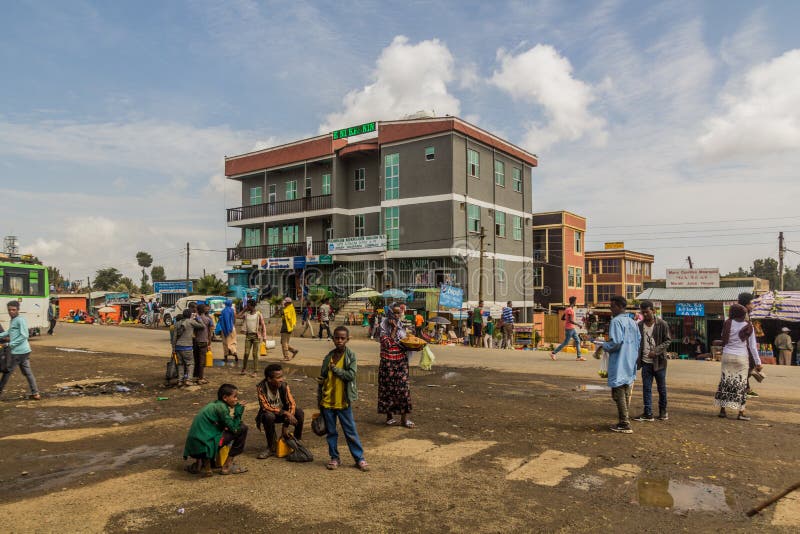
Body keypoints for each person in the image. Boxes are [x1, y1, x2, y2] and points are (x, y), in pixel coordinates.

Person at [318, 326, 369, 471]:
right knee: (331, 432)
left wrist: (336, 370)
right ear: (333, 338)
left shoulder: (350, 356)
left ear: (347, 339)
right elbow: (322, 378)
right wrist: (319, 402)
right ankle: (334, 458)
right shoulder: (329, 356)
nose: (339, 340)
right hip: (327, 401)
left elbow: (351, 375)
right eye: (337, 338)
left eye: (342, 338)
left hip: (343, 401)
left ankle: (359, 459)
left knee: (350, 431)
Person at [594, 296, 641, 434]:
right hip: (630, 359)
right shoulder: (632, 322)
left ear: (620, 307)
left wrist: (603, 346)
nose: (611, 309)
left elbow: (616, 342)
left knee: (618, 391)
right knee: (625, 389)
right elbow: (638, 341)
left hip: (620, 360)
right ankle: (624, 419)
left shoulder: (616, 321)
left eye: (612, 306)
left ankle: (624, 422)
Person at [183, 383, 249, 476]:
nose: (236, 399)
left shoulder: (213, 405)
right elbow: (234, 429)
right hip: (205, 446)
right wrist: (238, 412)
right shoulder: (221, 408)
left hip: (195, 447)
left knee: (217, 430)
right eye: (234, 397)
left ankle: (200, 465)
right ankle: (227, 466)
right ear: (225, 397)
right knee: (242, 428)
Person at [715, 303, 762, 420]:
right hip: (741, 357)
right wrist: (758, 362)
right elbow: (752, 346)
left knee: (725, 382)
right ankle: (741, 413)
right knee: (742, 384)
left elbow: (723, 337)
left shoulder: (727, 323)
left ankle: (722, 410)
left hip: (727, 356)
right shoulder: (748, 326)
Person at [633, 300, 672, 422]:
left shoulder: (662, 324)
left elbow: (668, 341)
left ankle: (663, 412)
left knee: (661, 388)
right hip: (645, 363)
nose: (644, 315)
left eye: (647, 312)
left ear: (653, 311)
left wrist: (656, 351)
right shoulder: (639, 325)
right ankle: (648, 413)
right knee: (646, 388)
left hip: (659, 363)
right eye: (642, 312)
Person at [255, 363, 303, 459]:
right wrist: (285, 413)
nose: (281, 379)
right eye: (278, 377)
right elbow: (265, 407)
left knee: (299, 412)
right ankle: (271, 447)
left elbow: (291, 404)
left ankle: (297, 441)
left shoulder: (284, 386)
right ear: (269, 379)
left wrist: (285, 426)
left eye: (282, 376)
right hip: (270, 414)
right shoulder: (261, 387)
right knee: (268, 416)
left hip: (283, 414)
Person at [378, 304, 414, 428]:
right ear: (389, 314)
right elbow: (387, 344)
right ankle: (389, 416)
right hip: (387, 363)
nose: (397, 315)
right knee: (388, 389)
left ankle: (404, 419)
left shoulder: (402, 327)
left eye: (399, 313)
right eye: (394, 313)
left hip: (401, 362)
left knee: (404, 390)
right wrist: (393, 329)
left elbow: (404, 343)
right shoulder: (383, 327)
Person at [0, 301, 41, 400]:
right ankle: (35, 393)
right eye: (9, 310)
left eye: (13, 309)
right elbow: (10, 331)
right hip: (24, 351)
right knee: (27, 372)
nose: (11, 312)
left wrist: (10, 344)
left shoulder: (20, 320)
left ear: (18, 310)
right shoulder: (13, 320)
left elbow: (24, 335)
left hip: (18, 352)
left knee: (7, 372)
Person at [737, 292, 759, 397]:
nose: (753, 305)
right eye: (751, 303)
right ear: (746, 304)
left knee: (747, 368)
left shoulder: (742, 313)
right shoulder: (743, 315)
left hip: (740, 348)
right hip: (743, 348)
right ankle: (744, 388)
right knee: (750, 366)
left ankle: (746, 388)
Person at [237, 300, 267, 376]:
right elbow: (238, 316)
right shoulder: (246, 314)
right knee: (246, 353)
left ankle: (255, 371)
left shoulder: (258, 314)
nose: (247, 307)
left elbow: (263, 325)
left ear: (252, 306)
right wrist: (243, 310)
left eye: (248, 305)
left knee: (254, 354)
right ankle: (244, 369)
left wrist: (264, 337)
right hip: (248, 336)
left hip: (256, 336)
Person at [552, 296, 584, 361]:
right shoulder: (569, 310)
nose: (576, 302)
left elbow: (563, 318)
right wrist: (578, 325)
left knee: (578, 341)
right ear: (573, 302)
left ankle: (579, 356)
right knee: (565, 343)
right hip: (569, 329)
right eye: (575, 301)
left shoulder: (568, 309)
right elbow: (570, 320)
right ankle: (553, 353)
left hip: (572, 328)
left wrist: (567, 318)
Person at [171, 309, 195, 387]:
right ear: (190, 315)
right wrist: (197, 318)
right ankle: (189, 380)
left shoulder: (176, 324)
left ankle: (180, 381)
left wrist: (173, 349)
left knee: (180, 364)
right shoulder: (190, 322)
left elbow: (174, 338)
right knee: (190, 363)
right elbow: (202, 325)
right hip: (187, 347)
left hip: (178, 347)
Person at [190, 303, 213, 385]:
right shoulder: (208, 319)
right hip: (204, 341)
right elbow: (210, 332)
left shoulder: (196, 319)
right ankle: (201, 378)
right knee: (202, 360)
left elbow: (194, 331)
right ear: (204, 310)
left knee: (196, 358)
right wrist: (209, 342)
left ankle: (195, 375)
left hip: (196, 341)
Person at [219, 299, 239, 366]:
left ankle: (226, 357)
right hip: (232, 328)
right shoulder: (232, 310)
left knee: (225, 343)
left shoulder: (224, 311)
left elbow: (226, 321)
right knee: (233, 342)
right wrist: (232, 327)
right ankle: (235, 354)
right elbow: (233, 320)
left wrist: (227, 330)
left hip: (225, 329)